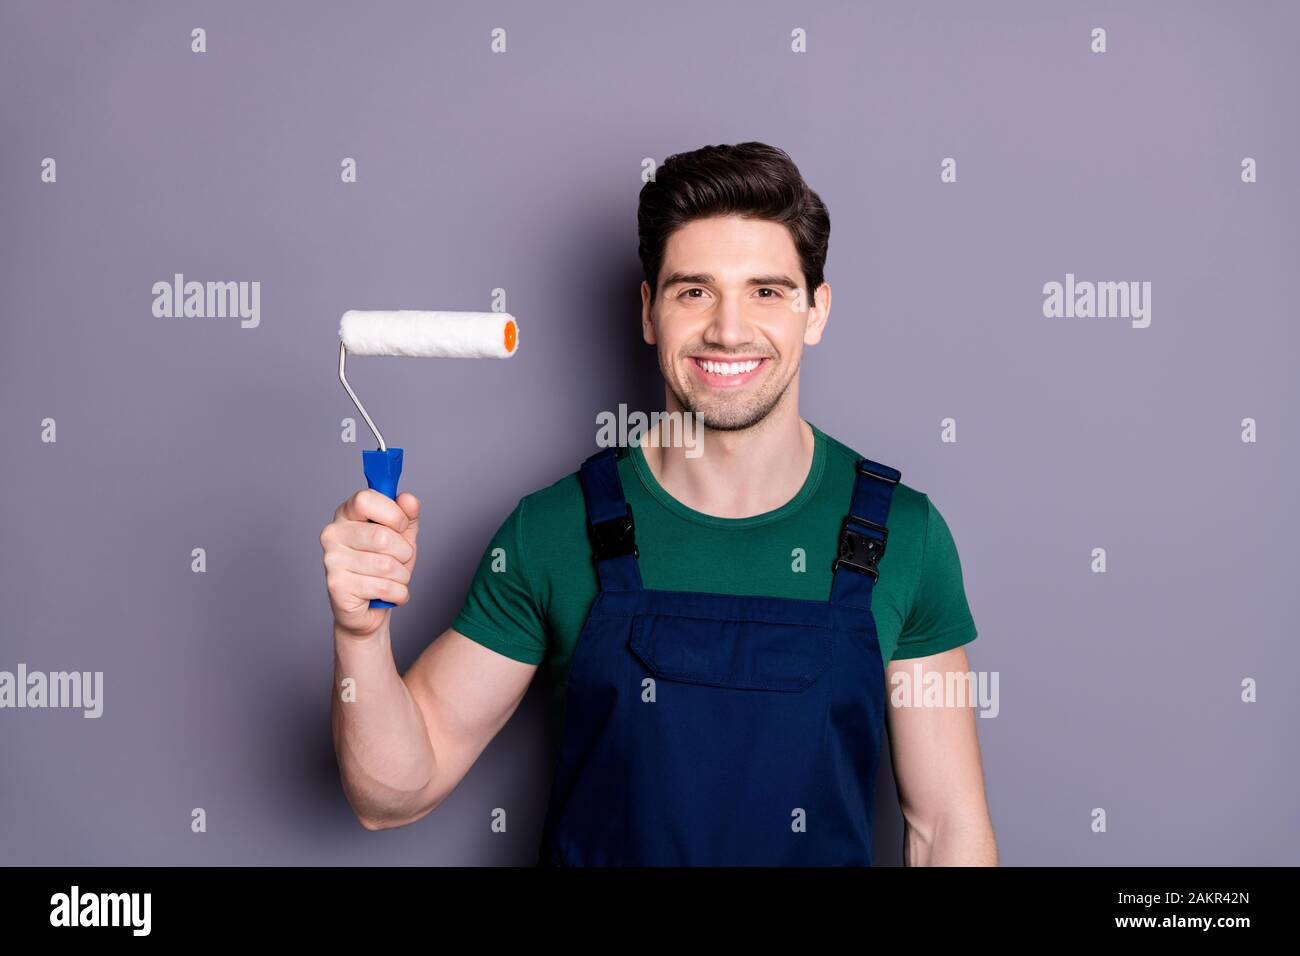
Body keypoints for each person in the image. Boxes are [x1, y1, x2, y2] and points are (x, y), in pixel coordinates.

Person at [319, 142, 998, 866]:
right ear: (649, 312)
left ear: (816, 310)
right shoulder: (553, 530)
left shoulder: (901, 533)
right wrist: (360, 636)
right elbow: (391, 794)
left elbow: (946, 830)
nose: (729, 329)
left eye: (766, 291)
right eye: (694, 291)